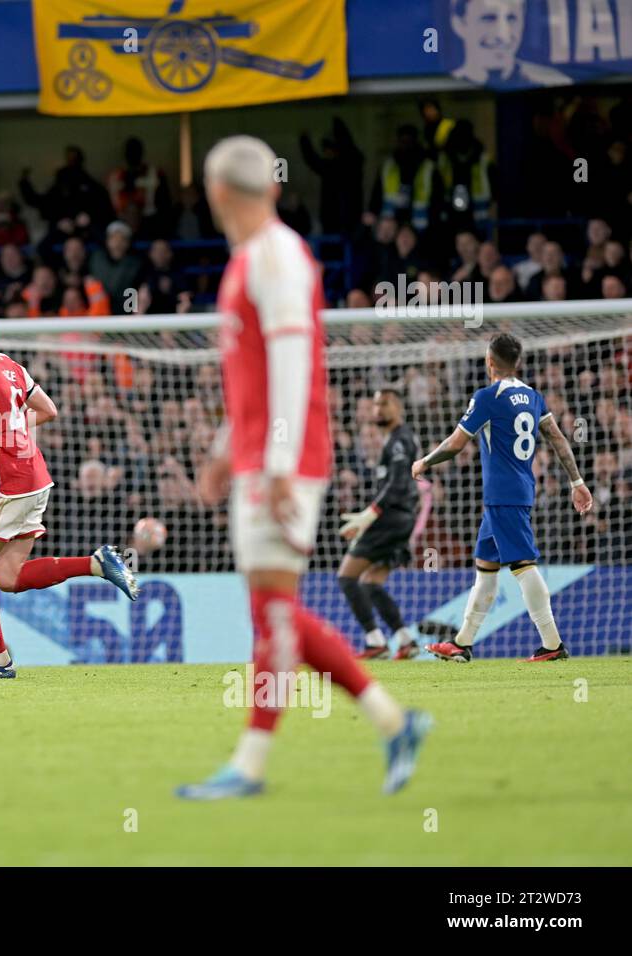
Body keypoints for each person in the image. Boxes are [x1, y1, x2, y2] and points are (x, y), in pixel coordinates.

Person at [179, 136, 431, 801]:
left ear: (216, 192)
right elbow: (253, 375)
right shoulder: (252, 258)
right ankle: (386, 725)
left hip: (285, 462)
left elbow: (294, 365)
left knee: (275, 612)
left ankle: (266, 761)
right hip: (264, 456)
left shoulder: (276, 257)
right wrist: (224, 450)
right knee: (273, 614)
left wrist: (280, 463)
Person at [0, 299, 138, 680]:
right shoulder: (12, 367)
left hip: (10, 484)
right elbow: (49, 411)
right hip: (37, 478)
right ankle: (96, 564)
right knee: (6, 577)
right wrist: (13, 426)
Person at [413, 332, 593, 662]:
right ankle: (462, 643)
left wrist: (425, 461)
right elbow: (557, 437)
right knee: (486, 570)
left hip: (503, 495)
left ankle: (552, 644)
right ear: (518, 362)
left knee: (524, 566)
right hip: (517, 491)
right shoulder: (533, 396)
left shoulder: (487, 397)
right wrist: (576, 481)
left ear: (490, 362)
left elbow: (456, 443)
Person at [337, 388, 423, 659]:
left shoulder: (400, 440)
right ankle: (405, 640)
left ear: (398, 407)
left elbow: (398, 484)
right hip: (399, 520)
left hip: (391, 519)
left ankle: (375, 640)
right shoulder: (394, 441)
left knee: (346, 577)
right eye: (375, 404)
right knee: (370, 584)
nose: (378, 410)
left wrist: (369, 514)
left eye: (384, 404)